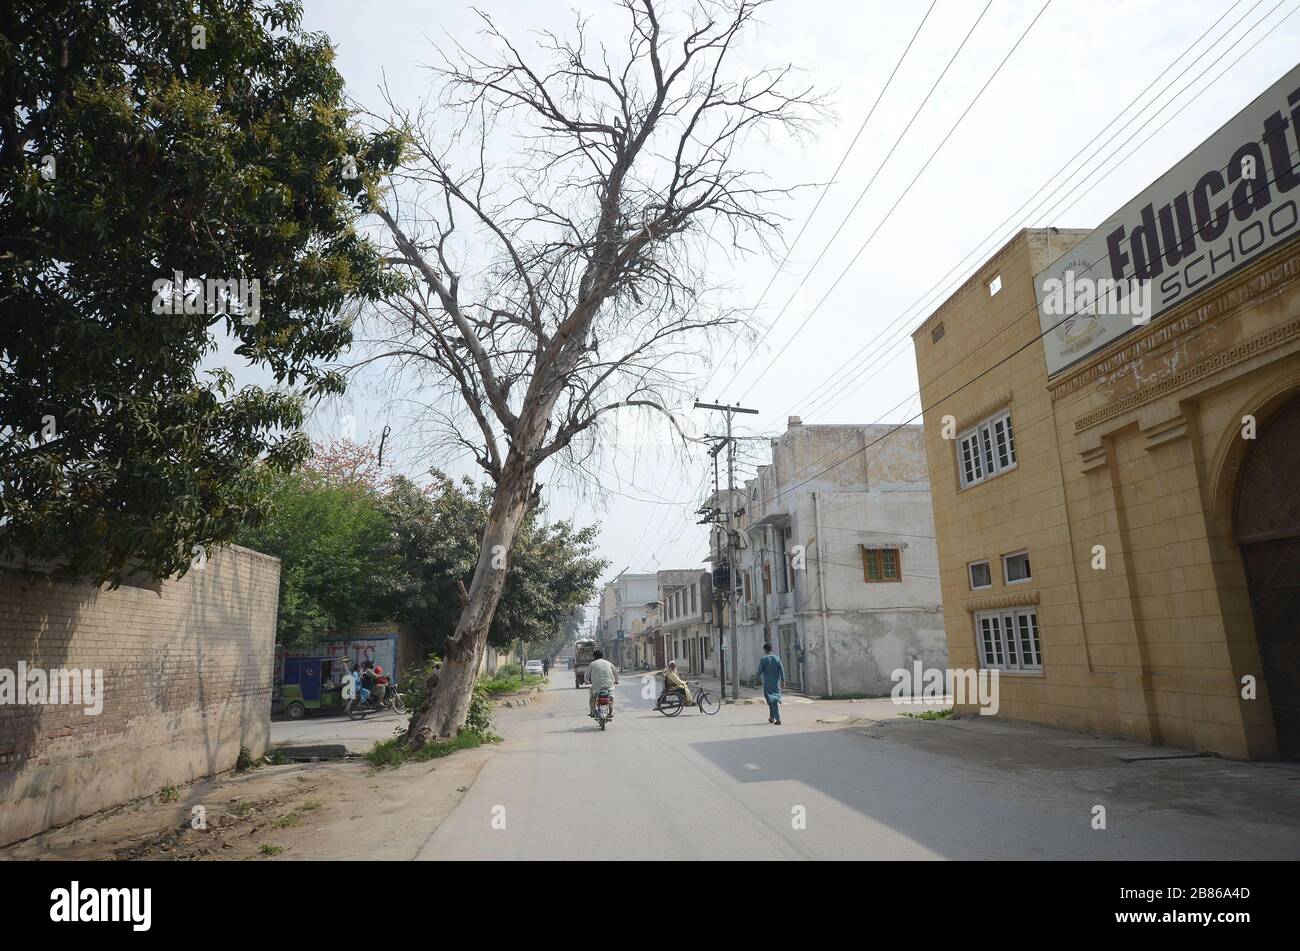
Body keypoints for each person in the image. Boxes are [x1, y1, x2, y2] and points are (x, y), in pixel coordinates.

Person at [757, 642, 786, 725]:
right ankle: (771, 717)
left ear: (765, 650)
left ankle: (777, 718)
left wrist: (755, 678)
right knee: (772, 700)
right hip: (776, 683)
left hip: (768, 684)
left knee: (772, 701)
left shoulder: (763, 659)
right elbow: (781, 670)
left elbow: (759, 672)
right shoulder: (777, 658)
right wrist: (783, 680)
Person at [587, 649, 619, 718]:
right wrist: (616, 681)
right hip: (609, 685)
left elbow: (586, 674)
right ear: (602, 655)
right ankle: (611, 712)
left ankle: (592, 712)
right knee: (611, 697)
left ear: (594, 656)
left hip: (596, 687)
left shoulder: (592, 664)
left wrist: (586, 681)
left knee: (592, 698)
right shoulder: (609, 663)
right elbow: (615, 672)